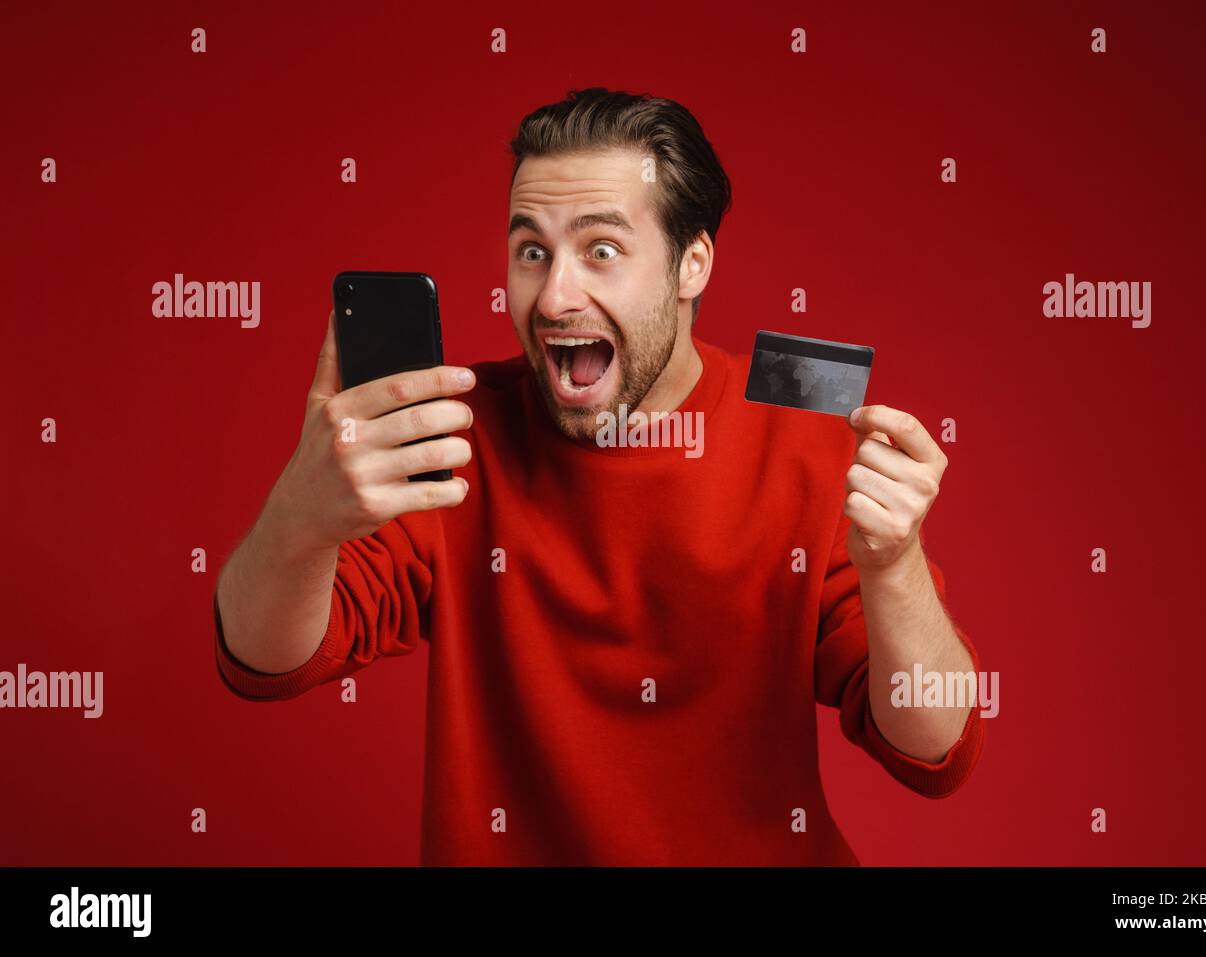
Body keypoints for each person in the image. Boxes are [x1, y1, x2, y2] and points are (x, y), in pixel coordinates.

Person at [213, 87, 985, 866]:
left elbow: (938, 748)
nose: (554, 297)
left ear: (693, 264)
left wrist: (896, 564)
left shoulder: (805, 432)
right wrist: (301, 515)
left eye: (601, 251)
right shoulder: (450, 432)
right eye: (531, 250)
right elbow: (263, 661)